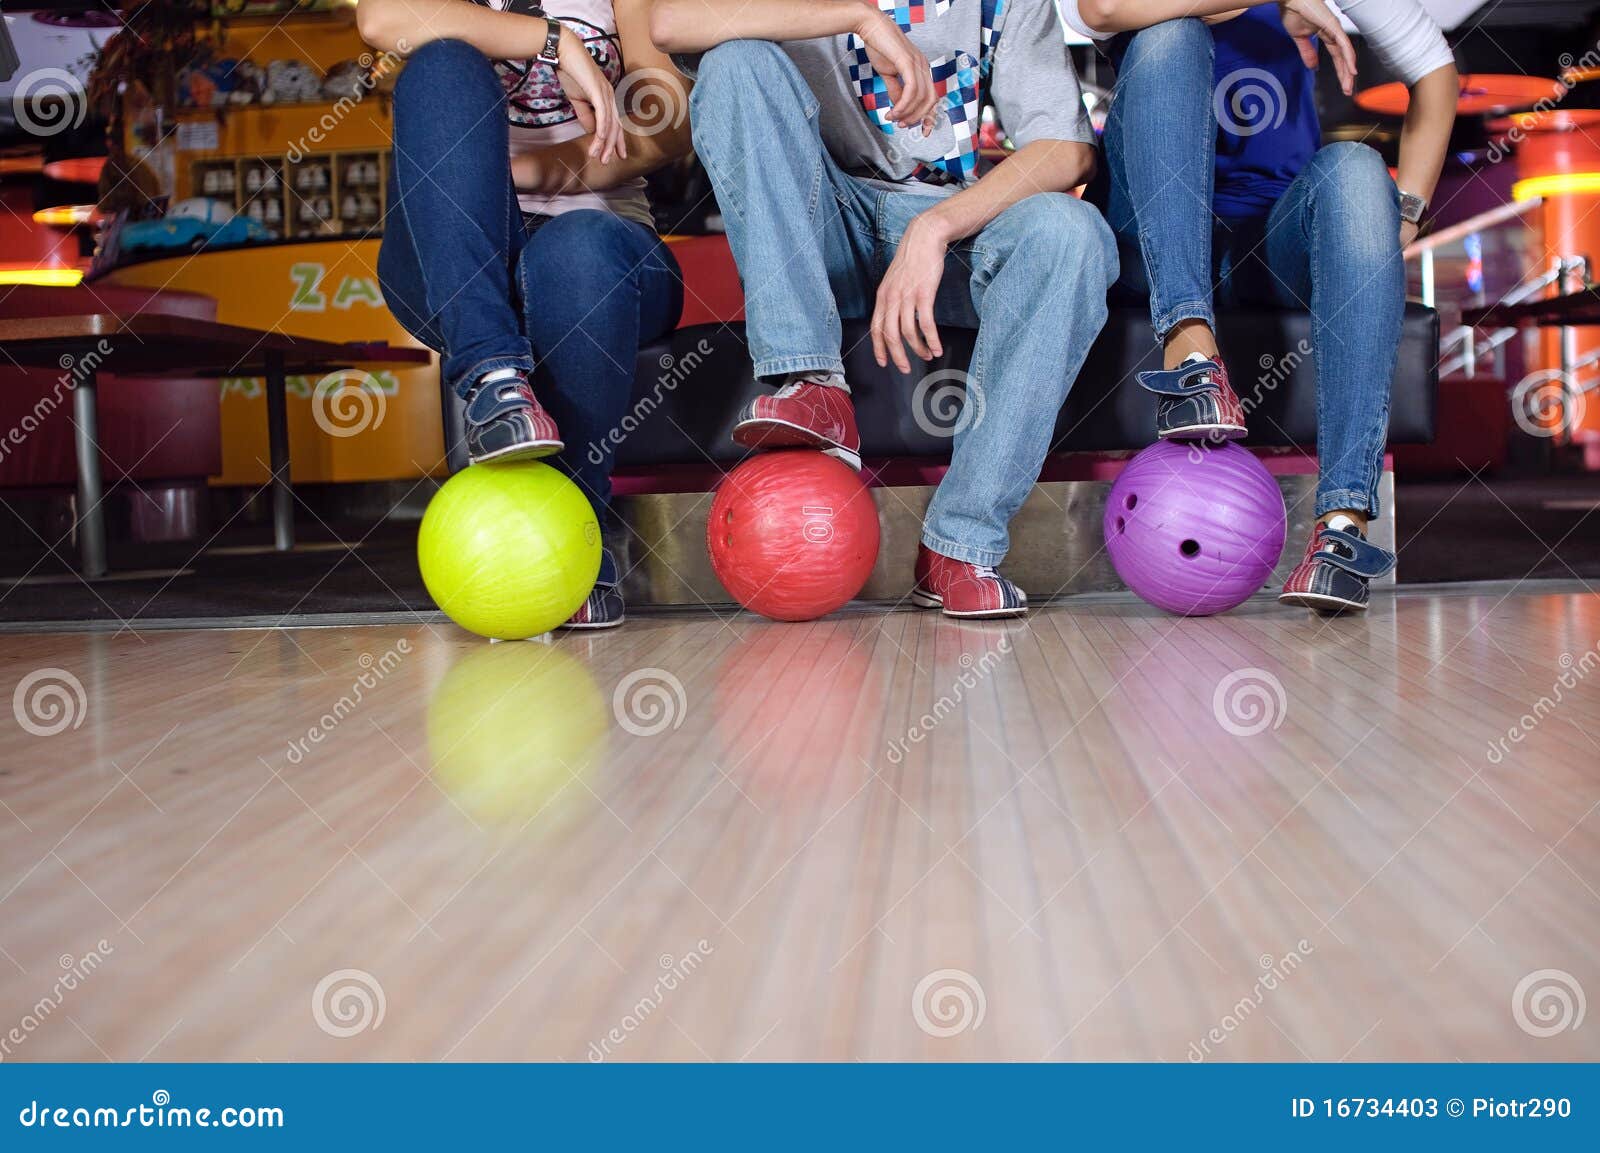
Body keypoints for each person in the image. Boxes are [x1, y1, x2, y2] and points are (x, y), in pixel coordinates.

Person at [650, 0, 1116, 619]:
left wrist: (935, 226)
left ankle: (960, 546)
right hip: (819, 221)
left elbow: (1067, 149)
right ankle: (813, 383)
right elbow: (670, 23)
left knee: (1072, 233)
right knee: (736, 63)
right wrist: (862, 19)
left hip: (945, 229)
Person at [1067, 0, 1458, 612]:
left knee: (1357, 168)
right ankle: (1192, 357)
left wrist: (1401, 215)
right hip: (1147, 238)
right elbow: (1104, 8)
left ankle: (1341, 530)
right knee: (1171, 37)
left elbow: (1434, 70)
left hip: (1269, 244)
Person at [359, 0, 692, 628]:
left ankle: (579, 539)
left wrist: (535, 169)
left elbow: (671, 121)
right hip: (455, 260)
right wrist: (555, 41)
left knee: (575, 248)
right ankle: (494, 377)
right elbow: (380, 20)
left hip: (605, 248)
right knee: (443, 63)